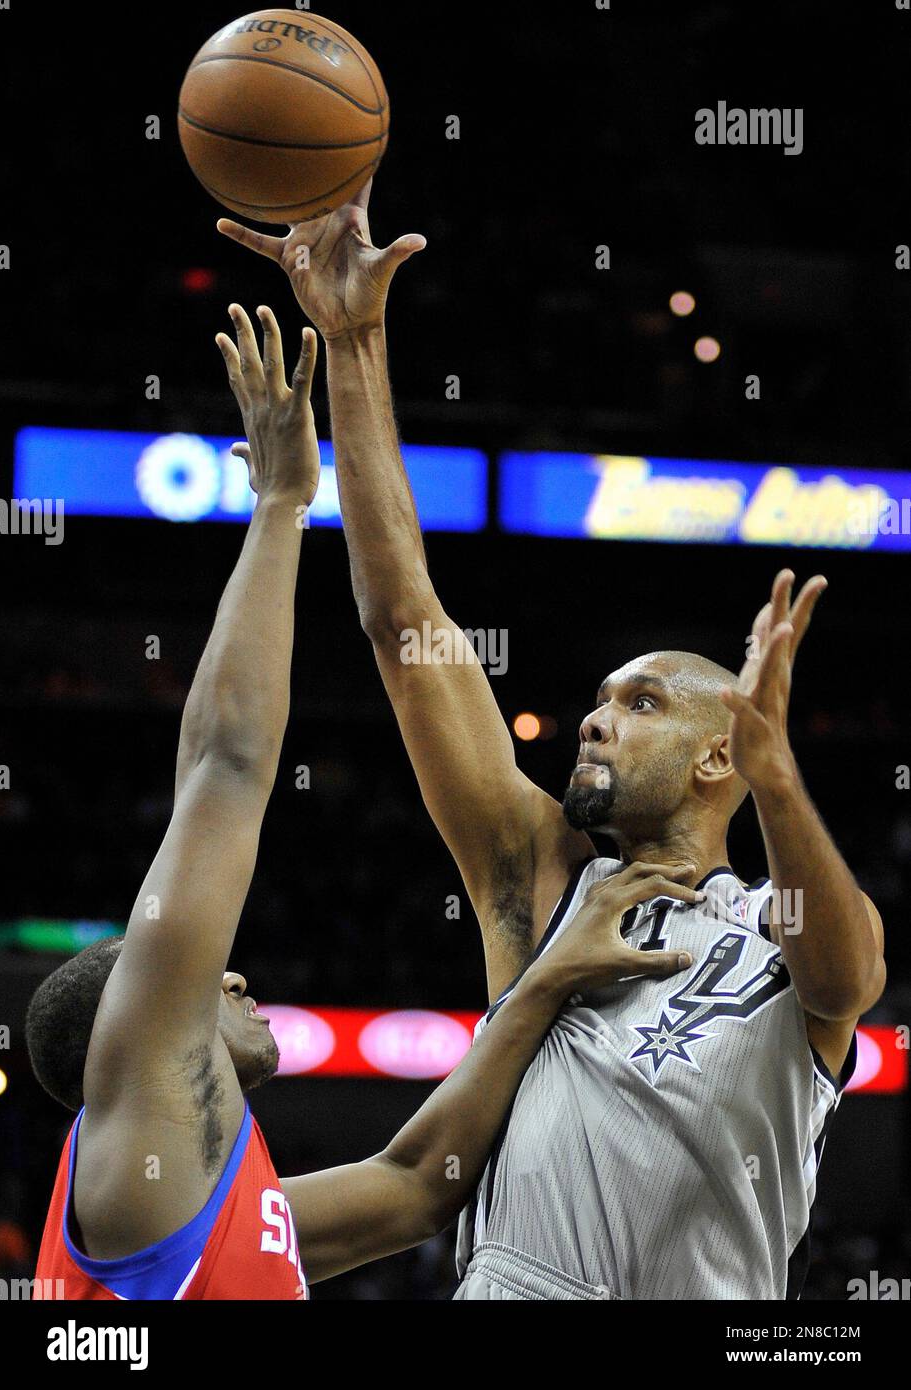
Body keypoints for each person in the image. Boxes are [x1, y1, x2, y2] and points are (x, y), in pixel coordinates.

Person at [218, 186, 886, 1300]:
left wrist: (781, 781)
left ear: (723, 756)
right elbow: (405, 621)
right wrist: (352, 338)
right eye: (599, 699)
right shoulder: (543, 874)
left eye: (638, 704)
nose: (591, 718)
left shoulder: (784, 922)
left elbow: (850, 972)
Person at [28, 305, 698, 1301]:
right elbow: (223, 764)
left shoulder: (222, 1198)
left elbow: (418, 1186)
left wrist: (544, 983)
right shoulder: (136, 1124)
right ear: (136, 1022)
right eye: (200, 976)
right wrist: (279, 504)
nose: (233, 973)